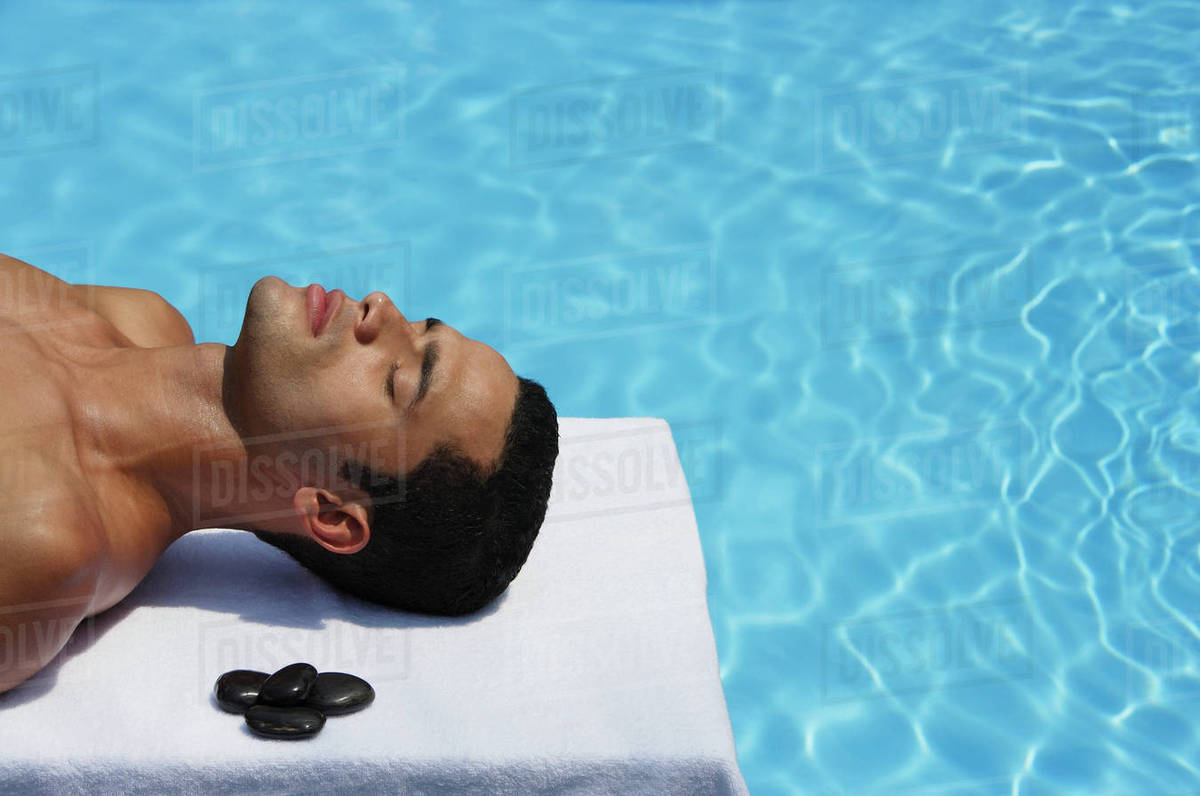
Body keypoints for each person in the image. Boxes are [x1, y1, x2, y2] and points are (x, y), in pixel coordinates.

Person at [0, 254, 559, 695]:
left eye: (398, 379)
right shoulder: (140, 316)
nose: (381, 307)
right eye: (418, 327)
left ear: (332, 512)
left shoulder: (41, 543)